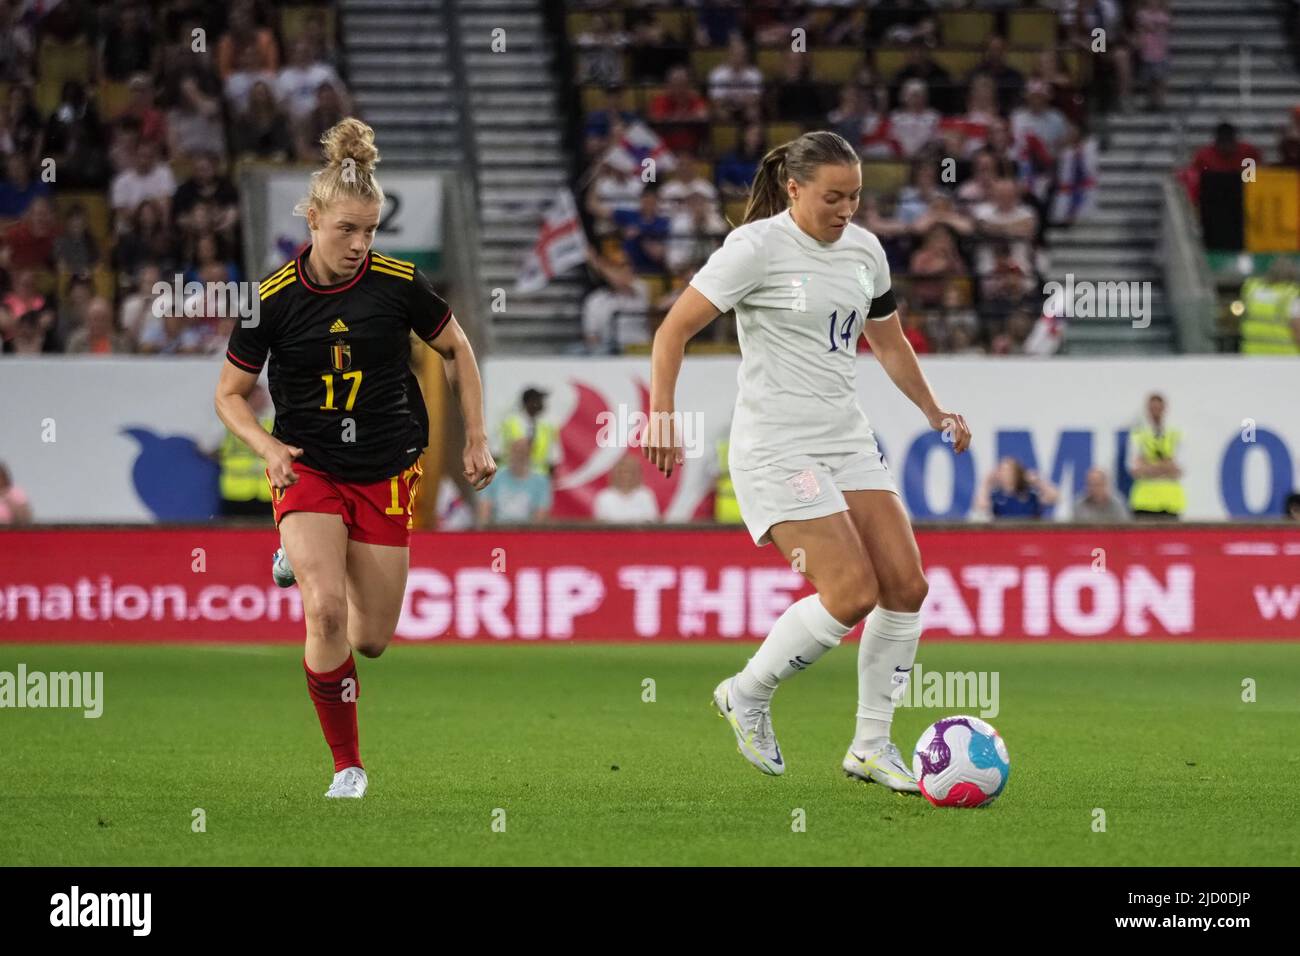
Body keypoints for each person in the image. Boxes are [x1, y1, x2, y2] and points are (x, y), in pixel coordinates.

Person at [644, 130, 972, 790]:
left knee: (907, 585)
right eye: (832, 197)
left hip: (846, 439)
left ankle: (872, 746)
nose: (847, 209)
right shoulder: (755, 248)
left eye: (854, 196)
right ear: (794, 189)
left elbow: (890, 343)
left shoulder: (866, 253)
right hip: (777, 443)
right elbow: (673, 328)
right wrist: (660, 413)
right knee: (851, 591)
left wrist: (935, 411)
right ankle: (747, 692)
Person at [214, 118, 496, 799]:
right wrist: (267, 446)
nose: (359, 244)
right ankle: (347, 765)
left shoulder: (398, 284)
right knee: (327, 614)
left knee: (370, 639)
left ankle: (306, 556)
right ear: (312, 219)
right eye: (347, 229)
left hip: (385, 464)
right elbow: (229, 395)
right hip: (309, 465)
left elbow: (457, 349)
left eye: (370, 230)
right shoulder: (270, 301)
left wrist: (476, 436)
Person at [1128, 392, 1184, 519]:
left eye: (1158, 408)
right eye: (1152, 408)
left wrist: (1147, 464)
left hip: (1170, 501)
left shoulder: (1174, 433)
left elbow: (1179, 469)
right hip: (1143, 501)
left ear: (1164, 409)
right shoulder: (1138, 433)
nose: (1155, 412)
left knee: (1171, 539)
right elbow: (1134, 468)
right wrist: (1166, 465)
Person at [477, 438, 551, 525]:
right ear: (509, 452)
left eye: (523, 452)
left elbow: (539, 518)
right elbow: (483, 514)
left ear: (530, 454)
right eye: (516, 451)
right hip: (497, 532)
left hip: (527, 533)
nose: (519, 456)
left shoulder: (541, 482)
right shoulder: (492, 479)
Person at [976, 456, 1058, 518]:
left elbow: (1054, 498)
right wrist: (985, 483)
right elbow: (981, 506)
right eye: (1002, 470)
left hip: (1030, 536)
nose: (1004, 474)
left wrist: (1039, 482)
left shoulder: (1030, 495)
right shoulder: (996, 496)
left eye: (1009, 470)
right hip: (1004, 536)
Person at [593, 453, 658, 523]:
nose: (626, 476)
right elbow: (601, 527)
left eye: (630, 472)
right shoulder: (604, 497)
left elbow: (652, 525)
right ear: (614, 475)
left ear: (637, 474)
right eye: (621, 472)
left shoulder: (645, 495)